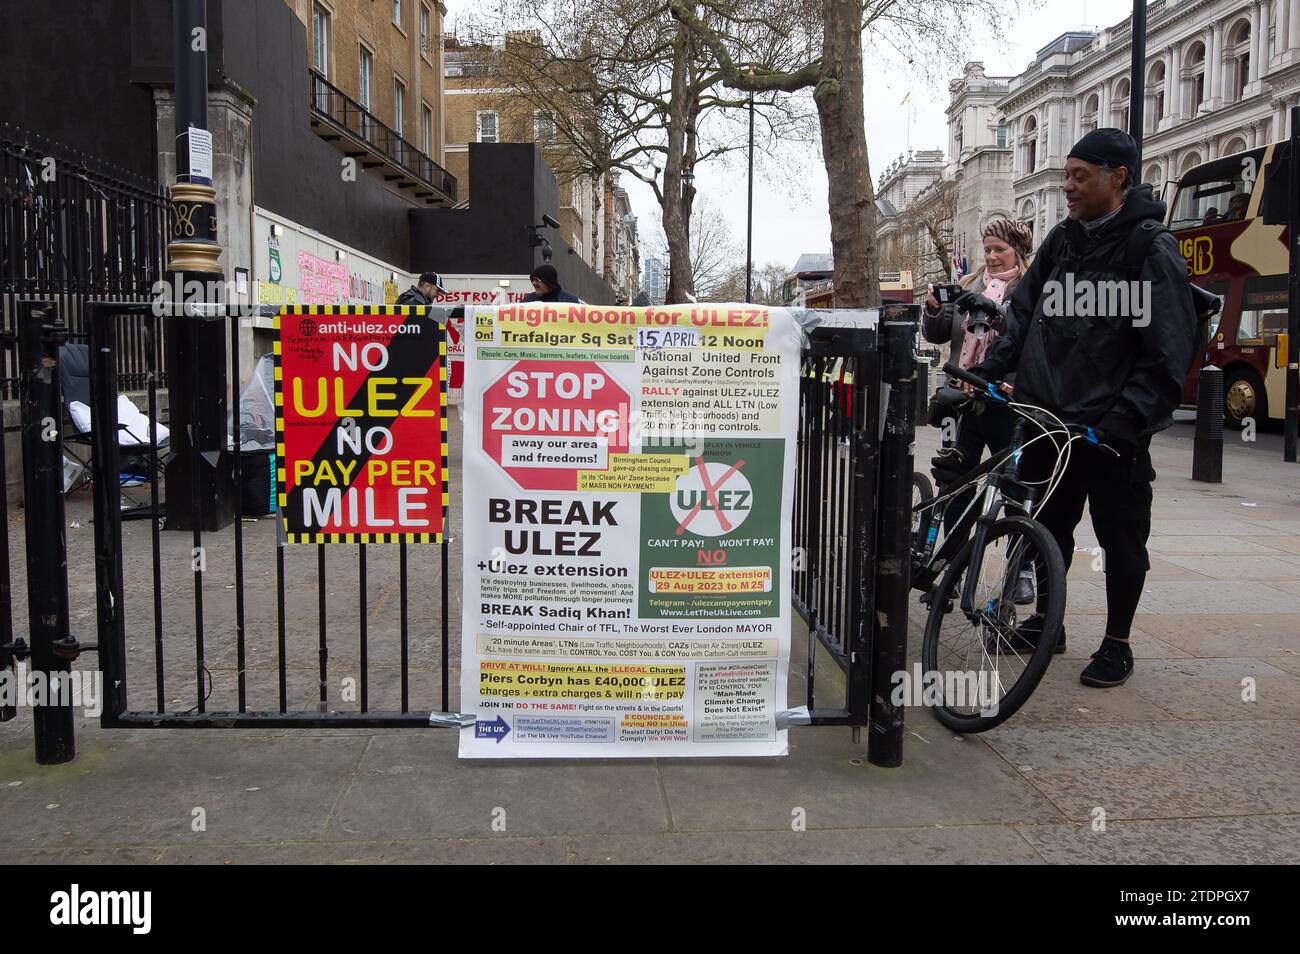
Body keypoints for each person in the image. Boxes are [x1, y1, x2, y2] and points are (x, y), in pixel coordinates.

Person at [970, 128, 1198, 688]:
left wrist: (1128, 419)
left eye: (1080, 177)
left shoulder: (1150, 248)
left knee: (1122, 539)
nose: (1067, 187)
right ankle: (1049, 621)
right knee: (1049, 527)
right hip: (1050, 418)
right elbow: (1021, 314)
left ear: (1118, 177)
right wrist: (988, 370)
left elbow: (1168, 348)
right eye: (1066, 175)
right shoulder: (1063, 240)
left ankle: (1117, 643)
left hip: (1111, 429)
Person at [922, 219, 1034, 540]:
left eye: (1000, 249)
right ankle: (950, 567)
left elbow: (1027, 334)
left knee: (1014, 486)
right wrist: (933, 311)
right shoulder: (969, 285)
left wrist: (995, 311)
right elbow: (939, 333)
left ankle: (1020, 569)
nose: (992, 256)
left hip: (1005, 401)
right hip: (963, 400)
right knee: (957, 483)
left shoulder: (1029, 290)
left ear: (1019, 251)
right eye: (987, 249)